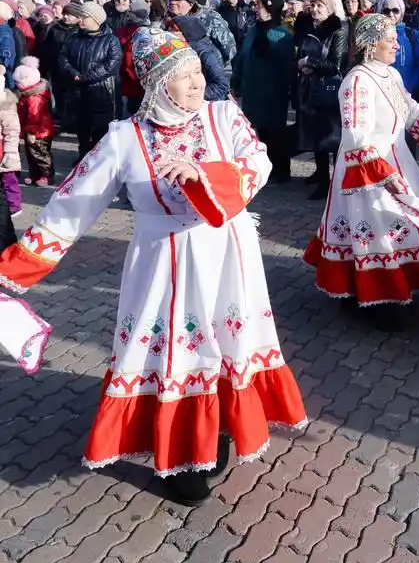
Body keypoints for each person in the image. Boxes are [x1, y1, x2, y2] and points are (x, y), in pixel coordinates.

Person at [0, 25, 307, 504]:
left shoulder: (224, 116)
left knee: (226, 344)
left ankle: (219, 429)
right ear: (157, 82)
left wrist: (205, 175)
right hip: (164, 267)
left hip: (228, 257)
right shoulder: (124, 138)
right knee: (173, 354)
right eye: (182, 76)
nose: (196, 84)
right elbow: (72, 203)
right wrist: (16, 267)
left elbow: (259, 162)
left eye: (197, 72)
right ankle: (177, 455)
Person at [303, 14, 419, 326]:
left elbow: (409, 108)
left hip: (396, 157)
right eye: (390, 39)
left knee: (398, 227)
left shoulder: (391, 75)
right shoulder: (356, 81)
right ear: (371, 44)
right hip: (368, 170)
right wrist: (382, 172)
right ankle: (376, 298)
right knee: (376, 231)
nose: (397, 44)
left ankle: (390, 289)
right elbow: (355, 134)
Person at [232, 0, 294, 184]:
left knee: (275, 131)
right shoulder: (253, 31)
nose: (256, 9)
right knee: (257, 130)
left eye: (260, 7)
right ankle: (263, 167)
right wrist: (235, 82)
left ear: (271, 10)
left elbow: (281, 55)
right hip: (253, 88)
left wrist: (265, 32)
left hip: (273, 90)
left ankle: (280, 170)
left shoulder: (280, 32)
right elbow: (242, 56)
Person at [295, 0, 347, 200]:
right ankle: (321, 175)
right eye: (314, 6)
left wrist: (310, 64)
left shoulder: (338, 30)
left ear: (330, 8)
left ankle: (334, 181)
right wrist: (303, 65)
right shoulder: (310, 27)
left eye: (321, 6)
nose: (316, 10)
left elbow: (336, 64)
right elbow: (300, 53)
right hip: (310, 87)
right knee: (317, 134)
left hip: (330, 89)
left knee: (331, 137)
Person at [59, 1, 121, 161]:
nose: (80, 20)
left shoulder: (111, 40)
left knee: (101, 130)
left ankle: (99, 161)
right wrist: (74, 74)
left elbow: (111, 65)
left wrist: (86, 77)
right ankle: (82, 159)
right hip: (78, 92)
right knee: (82, 129)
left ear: (95, 19)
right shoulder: (73, 38)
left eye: (84, 17)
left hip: (101, 92)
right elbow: (63, 58)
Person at [166, 16, 231, 101]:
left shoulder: (205, 54)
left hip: (205, 105)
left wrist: (192, 96)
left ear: (188, 33)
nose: (170, 32)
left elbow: (222, 85)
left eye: (174, 30)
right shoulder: (184, 49)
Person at [13, 57, 54, 186]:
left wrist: (31, 132)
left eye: (18, 83)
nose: (17, 85)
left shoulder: (34, 98)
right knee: (31, 154)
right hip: (30, 129)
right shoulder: (27, 95)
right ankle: (34, 174)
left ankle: (46, 175)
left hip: (39, 132)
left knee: (41, 153)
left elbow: (35, 118)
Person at [376, 0, 419, 94]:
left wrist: (410, 88)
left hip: (408, 94)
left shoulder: (412, 35)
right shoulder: (374, 35)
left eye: (395, 10)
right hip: (382, 94)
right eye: (386, 11)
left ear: (402, 12)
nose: (391, 14)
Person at [0, 85, 20, 214]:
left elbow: (12, 132)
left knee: (9, 179)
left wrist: (10, 152)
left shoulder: (6, 108)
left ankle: (14, 205)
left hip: (4, 151)